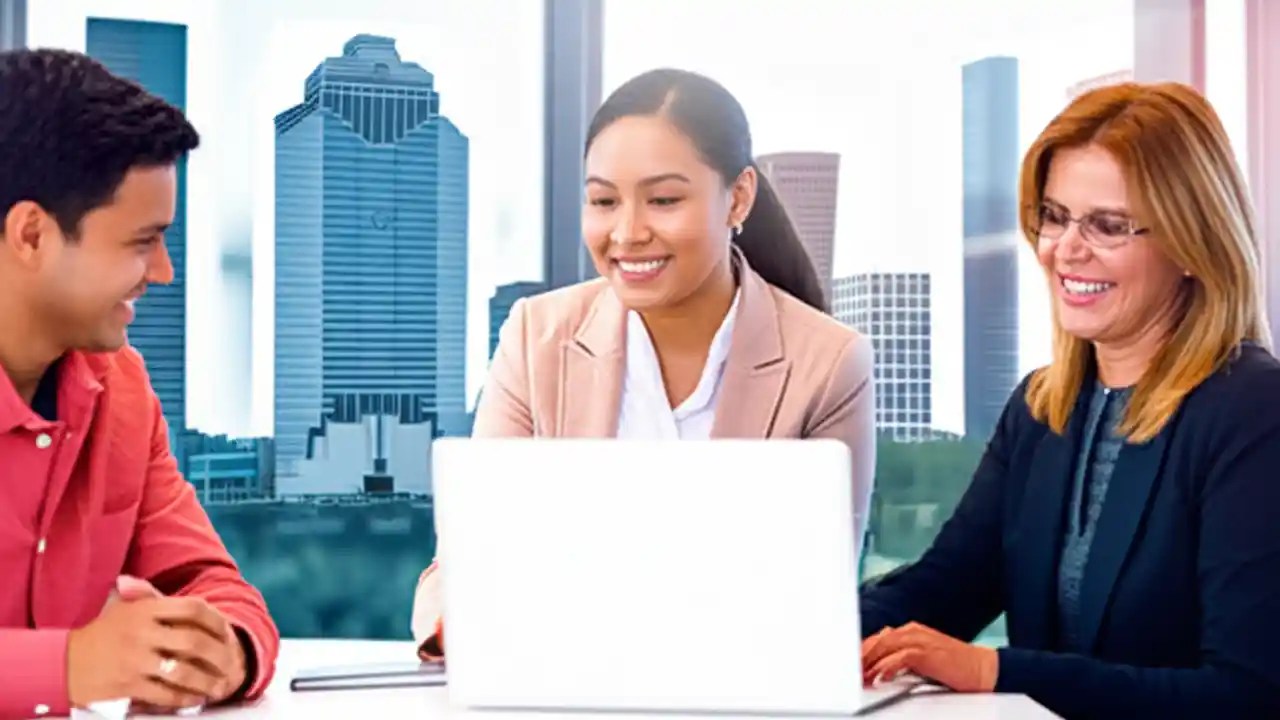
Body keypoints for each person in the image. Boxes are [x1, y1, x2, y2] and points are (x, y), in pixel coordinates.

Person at [410, 68, 875, 659]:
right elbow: (462, 560)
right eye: (603, 201)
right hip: (555, 679)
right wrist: (466, 615)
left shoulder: (829, 362)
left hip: (739, 687)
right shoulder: (536, 336)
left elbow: (816, 592)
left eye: (664, 200)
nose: (627, 233)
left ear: (738, 197)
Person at [859, 81, 1280, 718]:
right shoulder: (1041, 407)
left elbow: (1245, 695)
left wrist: (993, 669)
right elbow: (944, 587)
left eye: (1107, 225)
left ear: (1193, 243)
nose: (1065, 249)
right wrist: (795, 632)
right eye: (1053, 216)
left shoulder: (1252, 410)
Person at [0, 48, 279, 717]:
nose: (163, 272)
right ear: (32, 235)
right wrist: (67, 667)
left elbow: (211, 584)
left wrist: (223, 655)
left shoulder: (120, 390)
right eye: (141, 241)